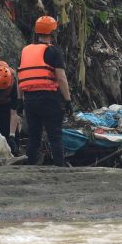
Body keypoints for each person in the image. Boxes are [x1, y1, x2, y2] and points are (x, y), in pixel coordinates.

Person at [17, 16, 72, 166]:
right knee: (55, 135)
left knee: (34, 136)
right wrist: (68, 100)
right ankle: (60, 167)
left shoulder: (25, 50)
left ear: (37, 32)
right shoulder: (54, 51)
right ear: (53, 33)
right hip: (49, 98)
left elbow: (21, 76)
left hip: (29, 99)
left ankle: (30, 166)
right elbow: (61, 78)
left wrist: (19, 99)